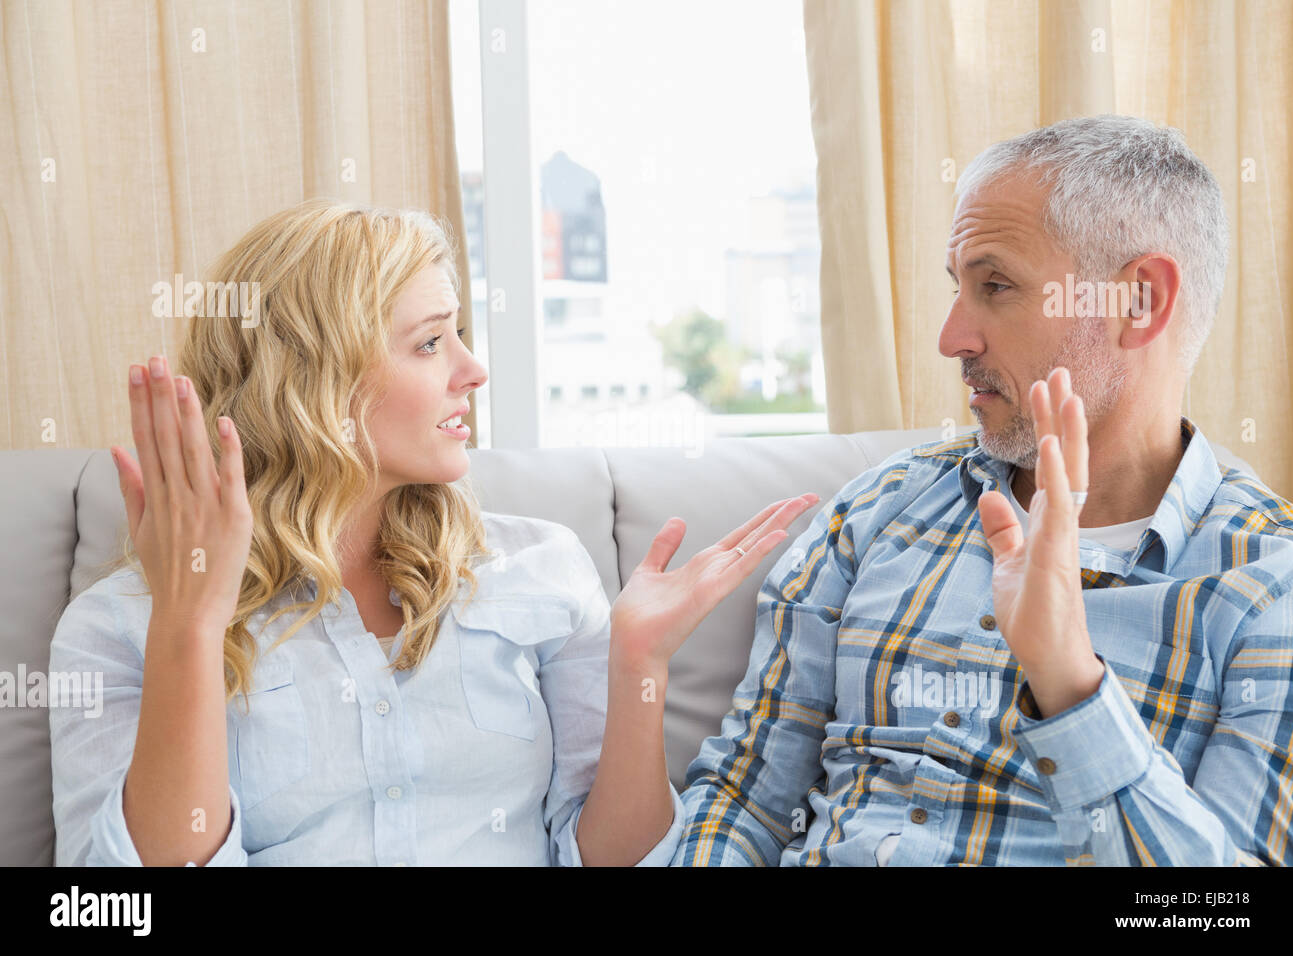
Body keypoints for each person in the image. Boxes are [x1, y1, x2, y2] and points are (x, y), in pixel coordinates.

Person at [47, 198, 818, 866]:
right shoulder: (118, 625)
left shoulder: (540, 568)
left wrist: (640, 666)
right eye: (430, 343)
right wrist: (191, 625)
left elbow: (614, 860)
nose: (474, 370)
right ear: (318, 382)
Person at [673, 114, 1293, 866]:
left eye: (995, 285)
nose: (952, 338)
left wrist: (1069, 682)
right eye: (957, 288)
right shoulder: (880, 511)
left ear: (1140, 301)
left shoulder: (1272, 587)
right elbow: (740, 800)